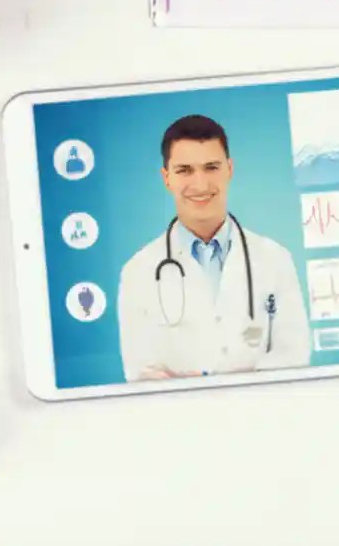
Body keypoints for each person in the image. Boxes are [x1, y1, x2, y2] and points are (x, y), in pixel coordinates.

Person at [117, 115, 312, 381]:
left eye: (211, 167)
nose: (200, 184)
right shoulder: (138, 271)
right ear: (166, 178)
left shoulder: (275, 259)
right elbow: (141, 372)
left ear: (229, 169)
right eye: (184, 170)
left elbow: (294, 356)